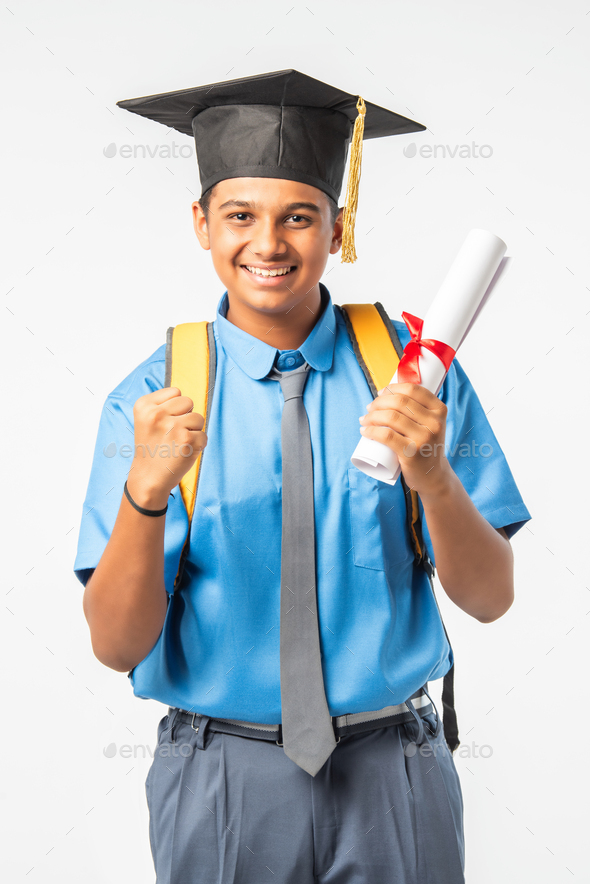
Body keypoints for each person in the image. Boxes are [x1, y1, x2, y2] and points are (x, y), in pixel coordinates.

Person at [74, 69, 531, 883]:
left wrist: (431, 475)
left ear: (337, 224)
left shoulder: (414, 374)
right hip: (220, 776)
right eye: (240, 216)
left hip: (393, 767)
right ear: (202, 223)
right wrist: (145, 492)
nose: (270, 244)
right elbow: (115, 645)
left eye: (299, 217)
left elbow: (491, 598)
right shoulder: (154, 398)